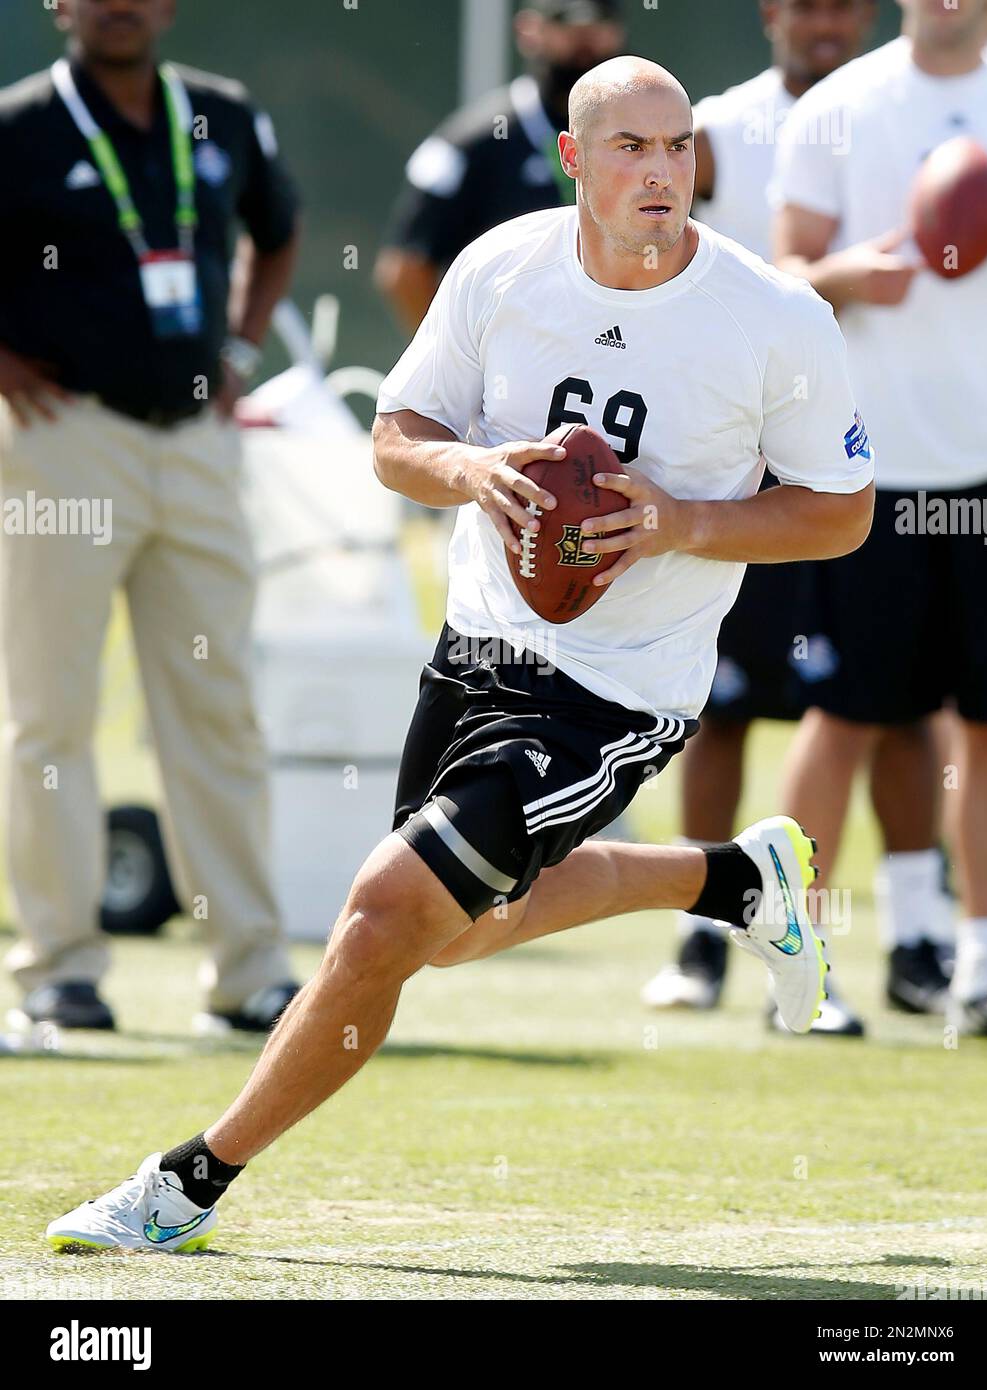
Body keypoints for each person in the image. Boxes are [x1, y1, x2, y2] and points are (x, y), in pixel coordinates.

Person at [45, 56, 874, 1252]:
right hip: (476, 648)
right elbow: (397, 434)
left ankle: (184, 1182)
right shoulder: (500, 266)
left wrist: (679, 521)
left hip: (614, 686)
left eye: (677, 145)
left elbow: (837, 508)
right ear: (574, 163)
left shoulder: (771, 316)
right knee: (459, 926)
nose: (660, 171)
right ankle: (734, 878)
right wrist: (470, 471)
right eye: (629, 148)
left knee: (384, 917)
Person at [0, 0, 301, 1034]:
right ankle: (58, 971)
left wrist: (243, 351)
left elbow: (282, 227)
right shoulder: (20, 125)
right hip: (65, 436)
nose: (119, 5)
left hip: (197, 439)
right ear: (60, 6)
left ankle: (249, 971)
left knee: (218, 707)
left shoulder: (218, 113)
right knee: (50, 715)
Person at [643, 0, 885, 1036]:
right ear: (768, 14)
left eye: (842, 3)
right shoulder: (716, 125)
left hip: (864, 456)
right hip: (735, 462)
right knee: (719, 705)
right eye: (804, 3)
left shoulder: (890, 113)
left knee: (879, 703)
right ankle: (703, 932)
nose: (824, 22)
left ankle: (894, 941)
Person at [771, 0, 987, 1037]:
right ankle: (801, 970)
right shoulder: (836, 107)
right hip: (870, 469)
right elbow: (780, 277)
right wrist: (839, 278)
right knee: (844, 716)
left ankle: (982, 971)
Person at [374, 0, 624, 333]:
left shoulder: (654, 132)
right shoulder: (475, 140)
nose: (585, 40)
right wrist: (463, 362)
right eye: (566, 23)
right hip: (520, 366)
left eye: (599, 22)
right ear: (527, 30)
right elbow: (405, 269)